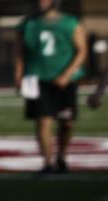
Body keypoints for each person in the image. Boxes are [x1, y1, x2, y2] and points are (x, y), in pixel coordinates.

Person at [15, 0, 88, 174]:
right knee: (43, 120)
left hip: (65, 80)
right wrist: (18, 75)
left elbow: (82, 50)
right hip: (36, 77)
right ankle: (48, 163)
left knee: (67, 122)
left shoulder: (70, 23)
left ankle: (61, 156)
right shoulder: (27, 24)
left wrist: (67, 74)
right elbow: (19, 53)